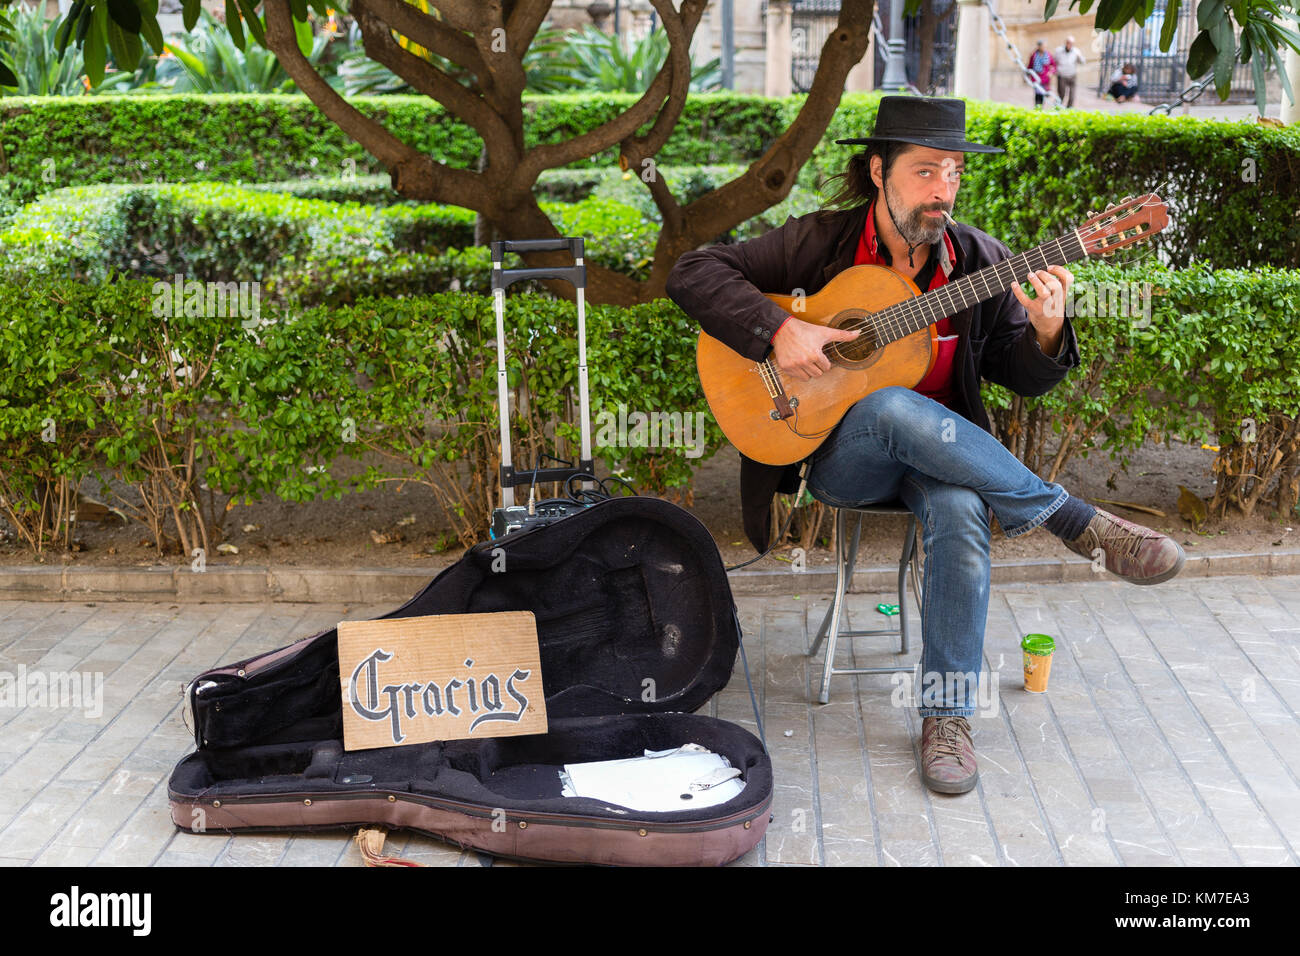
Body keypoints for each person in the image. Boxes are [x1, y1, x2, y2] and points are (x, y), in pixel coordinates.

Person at [665, 96, 1184, 796]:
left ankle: (946, 719)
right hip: (847, 459)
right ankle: (1067, 517)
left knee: (963, 509)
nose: (943, 189)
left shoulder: (980, 263)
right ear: (879, 171)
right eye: (925, 170)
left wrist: (1046, 331)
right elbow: (691, 273)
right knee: (885, 404)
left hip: (944, 460)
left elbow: (1020, 377)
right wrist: (778, 332)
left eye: (955, 172)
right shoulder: (819, 242)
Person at [1054, 35, 1086, 107]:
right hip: (1062, 76)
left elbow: (1083, 62)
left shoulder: (1076, 51)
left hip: (1072, 75)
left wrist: (1079, 56)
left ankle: (1068, 110)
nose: (1069, 44)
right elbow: (1054, 61)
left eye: (1071, 43)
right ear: (1066, 42)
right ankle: (1057, 108)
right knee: (1061, 95)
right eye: (1068, 42)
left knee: (1072, 96)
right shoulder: (1059, 50)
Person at [1028, 39, 1056, 107]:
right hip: (1037, 79)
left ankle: (1040, 107)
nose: (1044, 48)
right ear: (1039, 46)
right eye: (1043, 46)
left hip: (1045, 79)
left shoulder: (1048, 55)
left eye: (1045, 46)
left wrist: (1051, 72)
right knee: (1038, 95)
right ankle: (1038, 107)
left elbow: (1054, 65)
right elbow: (1030, 66)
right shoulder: (1034, 55)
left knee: (1043, 95)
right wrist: (1029, 75)